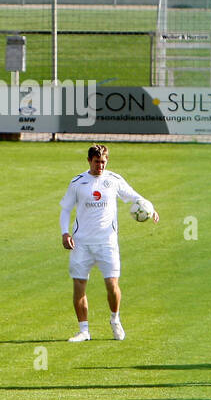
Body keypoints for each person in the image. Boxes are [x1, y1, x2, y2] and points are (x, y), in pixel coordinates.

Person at [59, 144, 157, 342]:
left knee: (112, 285)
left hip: (107, 243)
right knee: (79, 285)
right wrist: (65, 233)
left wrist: (151, 208)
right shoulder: (78, 182)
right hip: (81, 243)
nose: (100, 166)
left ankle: (115, 320)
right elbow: (66, 209)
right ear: (89, 161)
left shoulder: (114, 180)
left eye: (103, 162)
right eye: (97, 162)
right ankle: (84, 331)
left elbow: (135, 196)